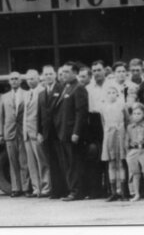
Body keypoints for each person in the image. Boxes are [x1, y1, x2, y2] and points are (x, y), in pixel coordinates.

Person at [54, 62, 89, 201]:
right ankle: (72, 189)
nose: (64, 74)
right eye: (62, 72)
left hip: (71, 133)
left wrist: (76, 132)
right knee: (68, 163)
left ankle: (77, 191)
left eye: (67, 72)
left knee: (75, 163)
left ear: (75, 73)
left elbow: (81, 113)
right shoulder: (65, 87)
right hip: (62, 132)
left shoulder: (78, 88)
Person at [0, 72, 30, 197]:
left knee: (24, 161)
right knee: (13, 161)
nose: (14, 81)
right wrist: (0, 134)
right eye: (12, 79)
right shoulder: (4, 97)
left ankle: (26, 187)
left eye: (16, 79)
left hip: (23, 132)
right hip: (9, 133)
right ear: (9, 82)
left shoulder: (26, 94)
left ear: (20, 81)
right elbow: (1, 117)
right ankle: (16, 188)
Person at [40, 64, 67, 199]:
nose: (48, 76)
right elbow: (40, 115)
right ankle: (56, 190)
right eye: (46, 74)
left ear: (55, 75)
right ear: (42, 76)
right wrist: (40, 132)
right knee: (52, 163)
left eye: (50, 74)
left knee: (62, 162)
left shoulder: (61, 89)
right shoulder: (42, 93)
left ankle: (65, 190)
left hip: (58, 132)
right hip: (47, 134)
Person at [23, 69, 51, 198]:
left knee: (42, 161)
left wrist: (41, 132)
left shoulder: (42, 91)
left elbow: (43, 114)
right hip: (27, 133)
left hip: (37, 131)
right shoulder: (27, 94)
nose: (30, 81)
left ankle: (46, 187)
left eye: (32, 78)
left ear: (38, 79)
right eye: (28, 79)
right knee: (31, 163)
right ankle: (36, 188)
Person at [85, 61, 108, 199]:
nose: (97, 73)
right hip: (94, 121)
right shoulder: (88, 88)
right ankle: (96, 189)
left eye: (99, 70)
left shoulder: (112, 85)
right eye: (94, 71)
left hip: (109, 119)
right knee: (95, 155)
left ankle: (111, 188)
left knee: (110, 156)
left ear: (104, 70)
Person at [101, 87, 127, 201]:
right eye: (109, 92)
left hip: (120, 135)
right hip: (109, 135)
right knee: (111, 164)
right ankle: (113, 192)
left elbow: (127, 120)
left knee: (120, 163)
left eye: (113, 92)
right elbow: (103, 122)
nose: (111, 95)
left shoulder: (122, 105)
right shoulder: (103, 107)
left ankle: (122, 191)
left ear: (117, 94)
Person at [126, 103, 144, 201]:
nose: (136, 115)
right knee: (135, 173)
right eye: (134, 113)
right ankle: (136, 194)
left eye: (139, 113)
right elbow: (127, 140)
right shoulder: (129, 127)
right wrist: (128, 153)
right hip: (133, 151)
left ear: (143, 114)